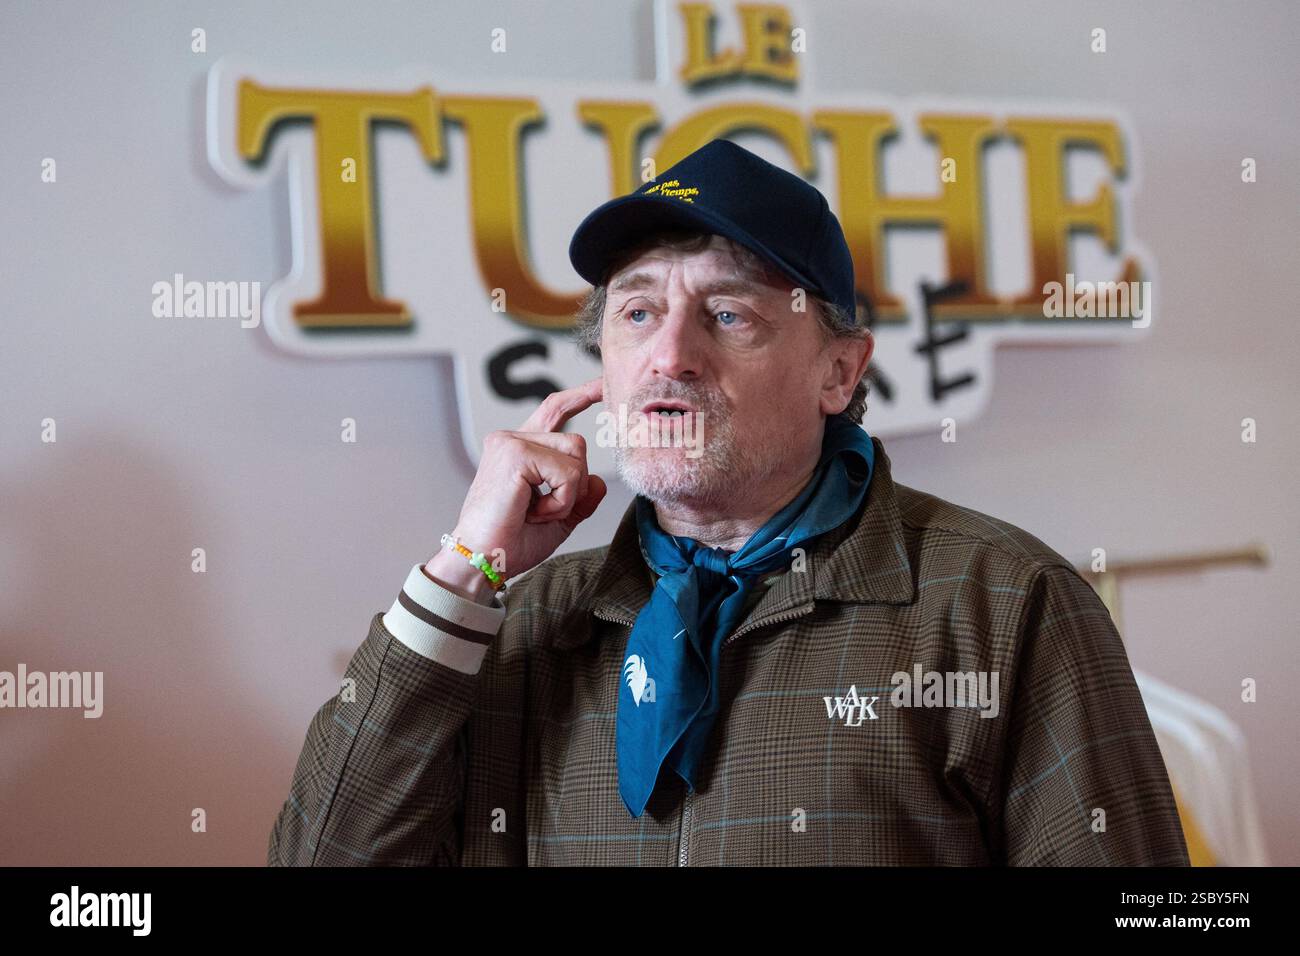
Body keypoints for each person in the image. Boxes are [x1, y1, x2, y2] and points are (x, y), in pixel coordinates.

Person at [267, 139, 1189, 866]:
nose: (669, 355)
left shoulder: (1002, 602)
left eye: (730, 314)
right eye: (636, 314)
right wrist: (464, 568)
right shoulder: (528, 621)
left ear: (839, 371)